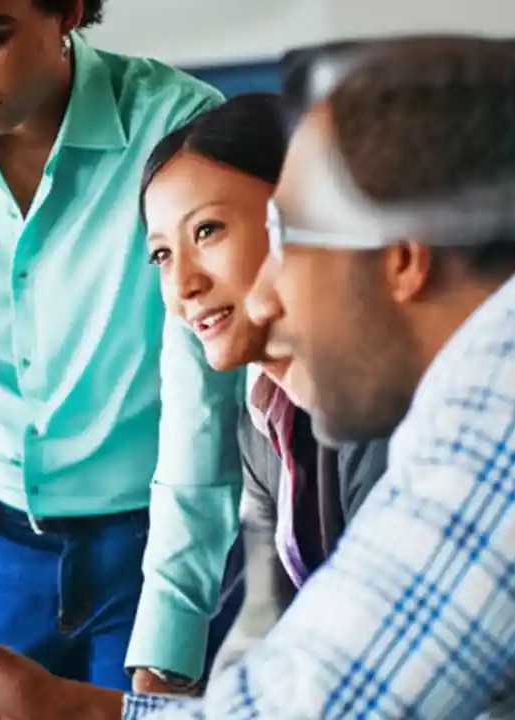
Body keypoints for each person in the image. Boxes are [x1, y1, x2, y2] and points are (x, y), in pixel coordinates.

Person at [0, 35, 515, 719]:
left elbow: (314, 703)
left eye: (293, 240)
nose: (266, 295)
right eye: (160, 255)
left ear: (403, 257)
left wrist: (76, 711)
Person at [0, 0, 244, 693]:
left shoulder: (176, 122)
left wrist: (171, 634)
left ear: (65, 12)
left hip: (156, 540)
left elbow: (201, 403)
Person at [135, 93, 388, 673]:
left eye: (208, 231)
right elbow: (273, 627)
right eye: (161, 256)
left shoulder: (377, 405)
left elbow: (372, 659)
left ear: (299, 216)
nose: (184, 285)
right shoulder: (264, 419)